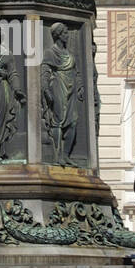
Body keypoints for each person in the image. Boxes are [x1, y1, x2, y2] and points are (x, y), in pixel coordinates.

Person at [41, 22, 83, 164]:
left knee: (73, 122)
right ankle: (57, 155)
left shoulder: (69, 54)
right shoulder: (50, 52)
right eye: (65, 33)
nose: (68, 35)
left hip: (71, 89)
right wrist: (46, 88)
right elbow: (45, 71)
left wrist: (80, 87)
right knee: (58, 121)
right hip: (58, 85)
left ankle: (66, 155)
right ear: (58, 35)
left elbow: (76, 72)